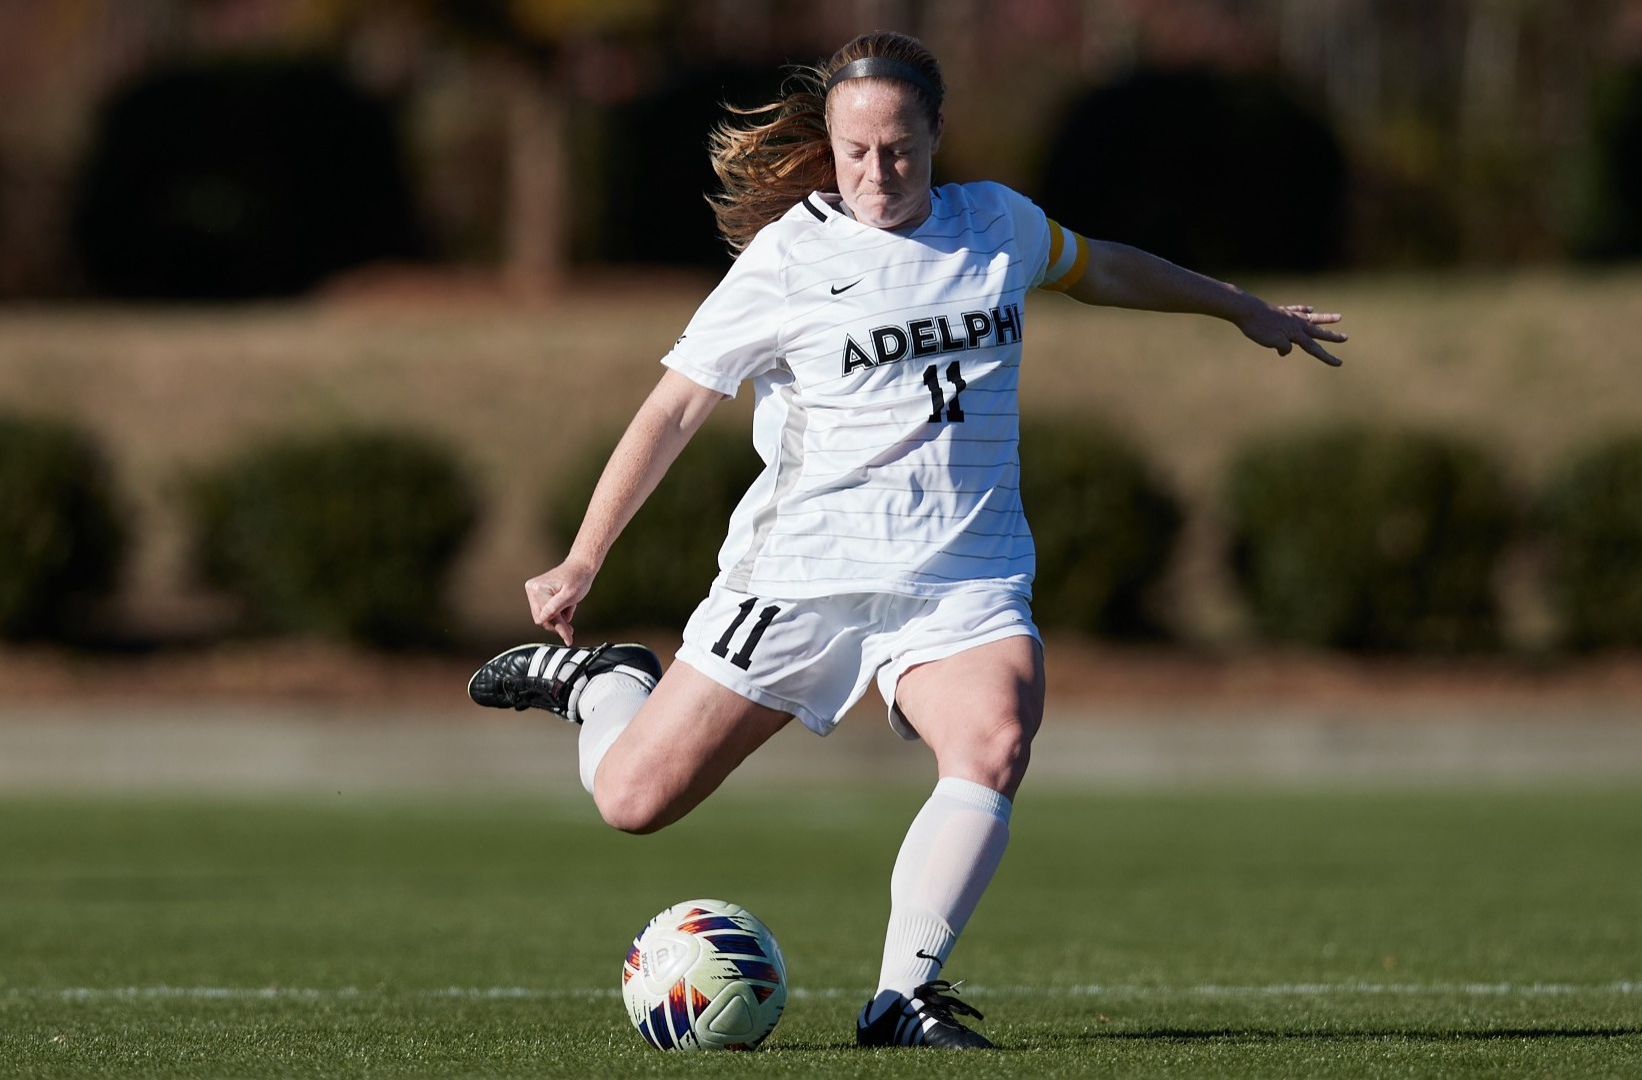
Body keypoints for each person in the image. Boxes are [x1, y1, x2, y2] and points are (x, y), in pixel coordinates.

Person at [468, 30, 1346, 1049]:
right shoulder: (787, 260)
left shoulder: (998, 226)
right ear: (830, 145)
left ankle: (900, 999)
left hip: (961, 578)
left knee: (994, 738)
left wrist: (1239, 309)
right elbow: (670, 412)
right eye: (855, 152)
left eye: (899, 149)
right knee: (632, 800)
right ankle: (605, 686)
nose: (877, 172)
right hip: (803, 578)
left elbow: (1101, 266)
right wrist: (584, 557)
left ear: (936, 135)